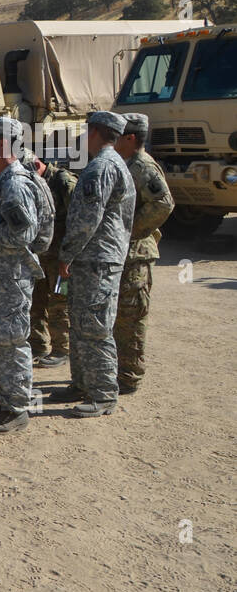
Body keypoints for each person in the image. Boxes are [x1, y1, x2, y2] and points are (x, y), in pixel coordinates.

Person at [57, 111, 135, 417]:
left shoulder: (101, 167)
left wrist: (67, 254)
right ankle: (83, 383)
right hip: (96, 257)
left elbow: (85, 220)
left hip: (96, 259)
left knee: (95, 326)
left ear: (95, 132)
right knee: (81, 323)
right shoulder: (113, 164)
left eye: (86, 130)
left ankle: (103, 394)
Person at [0, 118, 47, 433]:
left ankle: (18, 408)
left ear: (2, 143)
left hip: (11, 276)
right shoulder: (3, 178)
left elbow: (22, 235)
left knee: (12, 341)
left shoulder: (15, 182)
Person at [112, 112, 174, 395]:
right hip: (122, 252)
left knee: (131, 316)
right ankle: (116, 371)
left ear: (131, 138)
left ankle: (129, 376)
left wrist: (130, 230)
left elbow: (163, 203)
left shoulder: (143, 166)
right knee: (116, 316)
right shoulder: (124, 163)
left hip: (137, 254)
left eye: (117, 135)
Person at [30, 153, 79, 367]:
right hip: (39, 256)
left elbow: (78, 220)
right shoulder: (33, 182)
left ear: (36, 164)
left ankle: (62, 348)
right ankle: (37, 345)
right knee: (36, 301)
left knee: (60, 301)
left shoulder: (62, 182)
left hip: (61, 258)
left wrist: (69, 256)